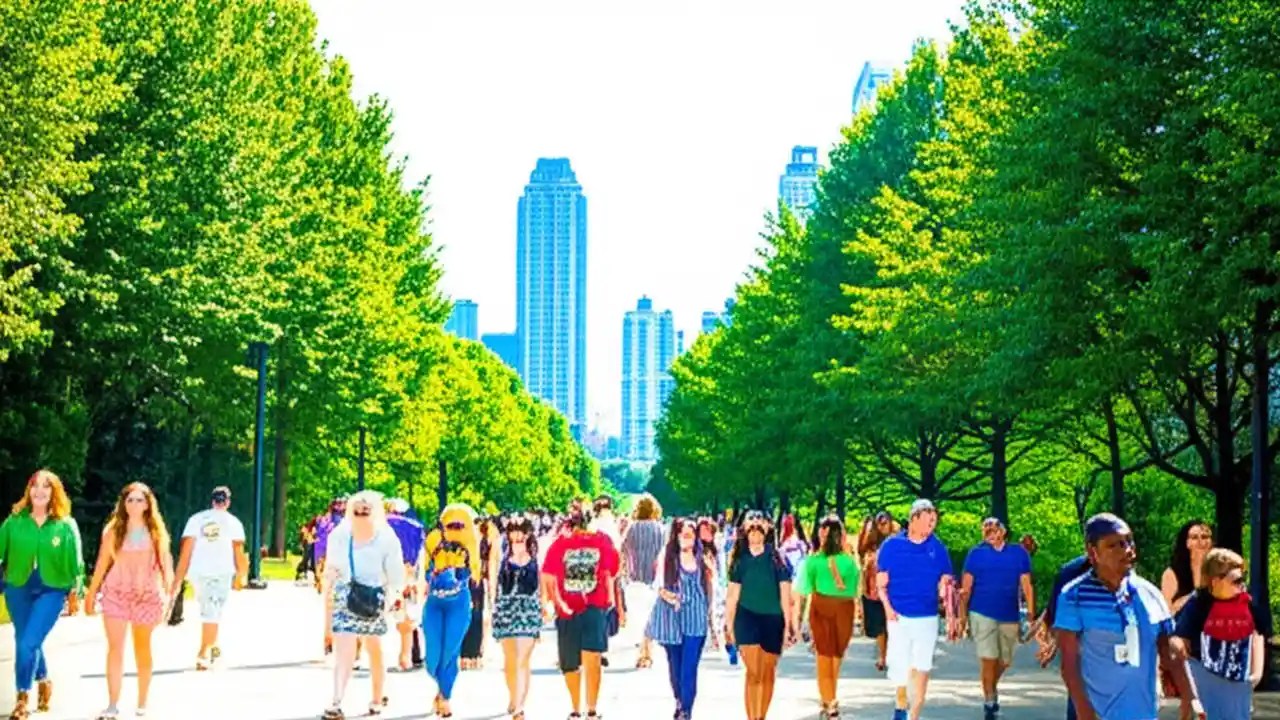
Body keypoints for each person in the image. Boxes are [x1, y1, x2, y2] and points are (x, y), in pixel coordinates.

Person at [1054, 513, 1196, 720]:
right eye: (1114, 545)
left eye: (1128, 541)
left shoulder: (1150, 594)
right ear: (1093, 552)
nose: (1127, 550)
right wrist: (1084, 710)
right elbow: (1069, 663)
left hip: (1143, 713)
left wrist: (1189, 696)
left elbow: (1169, 650)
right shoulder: (1074, 596)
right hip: (1097, 713)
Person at [84, 483, 175, 720]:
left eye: (139, 500)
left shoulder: (156, 532)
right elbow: (103, 562)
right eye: (130, 500)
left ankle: (142, 701)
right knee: (115, 648)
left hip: (146, 595)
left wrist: (169, 596)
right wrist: (91, 592)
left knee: (142, 648)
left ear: (148, 504)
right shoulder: (113, 530)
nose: (134, 504)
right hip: (116, 593)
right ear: (123, 504)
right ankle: (113, 704)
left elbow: (166, 565)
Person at [0, 470, 84, 719]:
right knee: (27, 638)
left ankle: (22, 698)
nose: (39, 491)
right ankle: (44, 679)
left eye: (46, 487)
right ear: (29, 490)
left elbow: (76, 562)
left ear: (54, 492)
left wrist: (75, 591)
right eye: (35, 486)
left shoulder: (65, 525)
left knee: (27, 641)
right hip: (18, 586)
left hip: (52, 589)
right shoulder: (14, 522)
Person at [320, 490, 404, 720]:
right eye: (356, 511)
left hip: (375, 596)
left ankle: (378, 696)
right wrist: (326, 601)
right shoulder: (340, 535)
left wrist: (392, 599)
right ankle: (337, 701)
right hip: (346, 594)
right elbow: (332, 568)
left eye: (366, 511)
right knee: (344, 650)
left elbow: (396, 575)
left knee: (374, 648)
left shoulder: (387, 538)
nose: (360, 515)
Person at [541, 505, 622, 720]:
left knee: (573, 662)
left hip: (573, 608)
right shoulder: (602, 540)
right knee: (590, 658)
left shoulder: (562, 543)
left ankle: (578, 709)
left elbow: (547, 574)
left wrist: (547, 602)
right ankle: (590, 709)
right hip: (592, 606)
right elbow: (612, 571)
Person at [876, 498, 953, 720]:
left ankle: (914, 713)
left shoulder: (938, 549)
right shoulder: (891, 547)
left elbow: (945, 580)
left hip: (927, 616)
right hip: (899, 615)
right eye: (928, 521)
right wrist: (888, 609)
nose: (932, 526)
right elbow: (881, 583)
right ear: (914, 519)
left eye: (934, 522)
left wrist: (946, 592)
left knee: (922, 664)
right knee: (900, 664)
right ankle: (901, 704)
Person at [1171, 547, 1267, 719]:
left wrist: (1256, 672)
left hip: (1238, 681)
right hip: (1207, 679)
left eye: (1243, 579)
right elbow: (1179, 637)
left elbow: (1257, 633)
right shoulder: (1199, 604)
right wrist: (1178, 645)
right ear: (1215, 581)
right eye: (1236, 581)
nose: (1242, 585)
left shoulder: (1246, 602)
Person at [957, 517, 1034, 720]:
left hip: (1009, 614)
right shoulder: (976, 554)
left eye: (994, 527)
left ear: (1003, 531)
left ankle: (990, 684)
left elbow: (1026, 585)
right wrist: (961, 615)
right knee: (988, 658)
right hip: (981, 612)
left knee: (1005, 660)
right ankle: (990, 699)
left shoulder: (1018, 553)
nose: (989, 531)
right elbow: (966, 587)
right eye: (985, 528)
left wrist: (1032, 615)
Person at [724, 510, 795, 720]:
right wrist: (729, 626)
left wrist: (788, 625)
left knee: (767, 673)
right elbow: (732, 596)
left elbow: (785, 593)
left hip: (772, 619)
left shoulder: (777, 558)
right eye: (750, 522)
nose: (755, 527)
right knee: (753, 672)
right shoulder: (739, 560)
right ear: (744, 530)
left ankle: (761, 715)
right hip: (746, 618)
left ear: (768, 528)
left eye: (759, 522)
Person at [171, 486, 248, 670]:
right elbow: (239, 552)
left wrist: (179, 577)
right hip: (220, 571)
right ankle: (204, 651)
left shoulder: (196, 519)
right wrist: (241, 575)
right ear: (228, 502)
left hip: (199, 571)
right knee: (211, 609)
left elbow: (186, 551)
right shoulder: (233, 522)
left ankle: (212, 645)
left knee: (211, 608)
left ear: (212, 500)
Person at [646, 517, 715, 720]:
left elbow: (711, 591)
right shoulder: (667, 558)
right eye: (683, 534)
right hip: (672, 618)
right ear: (676, 536)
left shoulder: (703, 560)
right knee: (675, 666)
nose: (687, 539)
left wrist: (714, 621)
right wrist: (671, 596)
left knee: (689, 667)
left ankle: (686, 710)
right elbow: (658, 586)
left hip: (696, 620)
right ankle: (679, 700)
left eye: (691, 535)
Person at [791, 515, 860, 719]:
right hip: (838, 608)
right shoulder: (848, 562)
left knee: (828, 655)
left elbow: (802, 591)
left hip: (827, 607)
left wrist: (798, 620)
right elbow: (854, 590)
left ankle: (828, 697)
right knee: (831, 655)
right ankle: (830, 699)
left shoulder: (814, 561)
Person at [421, 503, 480, 718]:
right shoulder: (433, 539)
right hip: (435, 603)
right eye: (451, 524)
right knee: (433, 657)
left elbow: (476, 574)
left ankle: (445, 696)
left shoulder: (471, 542)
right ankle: (440, 686)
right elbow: (424, 569)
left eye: (460, 524)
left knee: (451, 651)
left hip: (459, 602)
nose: (456, 528)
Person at [493, 515, 542, 720]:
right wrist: (491, 607)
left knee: (522, 659)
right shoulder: (501, 556)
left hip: (528, 610)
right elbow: (493, 584)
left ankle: (520, 705)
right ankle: (514, 697)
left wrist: (544, 607)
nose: (517, 536)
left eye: (521, 532)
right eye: (513, 532)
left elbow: (541, 584)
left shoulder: (536, 557)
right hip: (507, 610)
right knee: (511, 659)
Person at [621, 494, 664, 669]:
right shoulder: (661, 529)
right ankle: (648, 651)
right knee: (650, 616)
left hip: (635, 577)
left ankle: (642, 652)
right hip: (654, 578)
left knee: (639, 617)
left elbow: (623, 550)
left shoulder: (632, 529)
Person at [386, 499, 425, 671]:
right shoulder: (415, 529)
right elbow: (420, 558)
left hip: (388, 574)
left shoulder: (383, 526)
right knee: (408, 619)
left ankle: (357, 655)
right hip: (409, 574)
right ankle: (407, 656)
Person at [858, 512, 897, 672]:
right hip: (873, 590)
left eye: (885, 522)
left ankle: (891, 655)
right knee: (880, 627)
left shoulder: (897, 542)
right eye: (879, 523)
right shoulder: (870, 544)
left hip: (893, 590)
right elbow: (861, 557)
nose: (882, 526)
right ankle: (883, 656)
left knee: (891, 626)